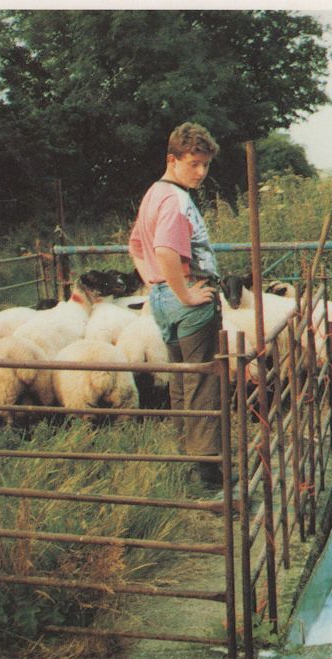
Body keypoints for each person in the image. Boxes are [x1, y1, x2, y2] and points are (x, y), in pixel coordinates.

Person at [128, 122, 226, 490]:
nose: (201, 172)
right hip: (188, 300)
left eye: (205, 165)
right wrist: (184, 293)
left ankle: (189, 457)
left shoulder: (153, 193)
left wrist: (155, 282)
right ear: (173, 159)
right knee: (202, 383)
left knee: (183, 382)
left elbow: (136, 247)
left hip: (161, 300)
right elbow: (166, 250)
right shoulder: (176, 200)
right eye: (194, 164)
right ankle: (208, 475)